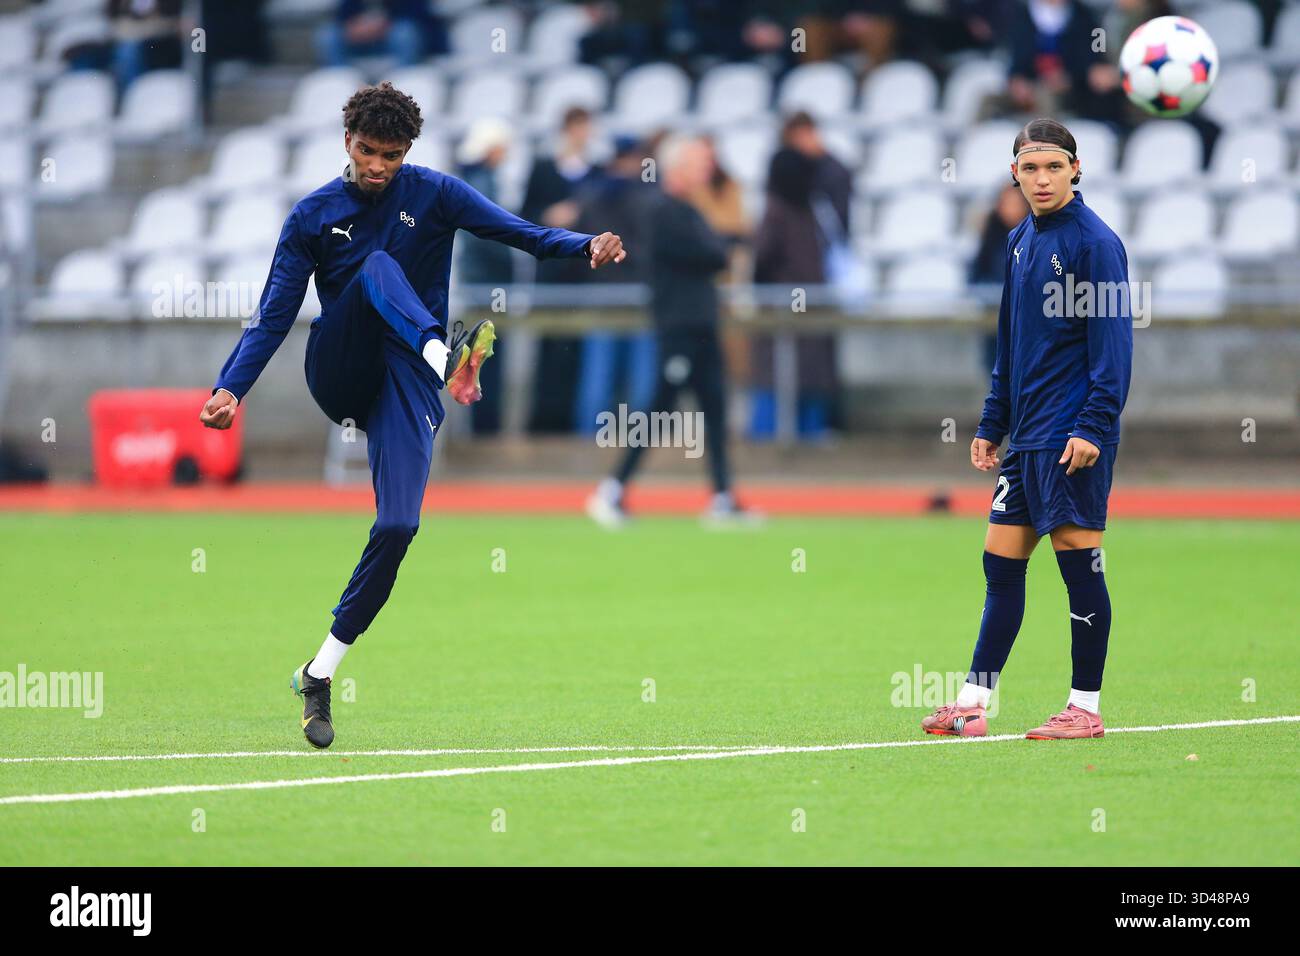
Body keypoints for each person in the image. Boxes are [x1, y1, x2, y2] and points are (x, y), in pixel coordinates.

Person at [198, 83, 625, 749]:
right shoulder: (313, 216)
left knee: (399, 524)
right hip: (342, 366)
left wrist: (584, 245)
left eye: (391, 155)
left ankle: (318, 672)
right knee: (374, 267)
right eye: (367, 151)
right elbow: (275, 312)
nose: (377, 166)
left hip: (407, 382)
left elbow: (523, 234)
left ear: (408, 152)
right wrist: (232, 386)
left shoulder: (436, 194)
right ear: (347, 142)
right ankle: (444, 355)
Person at [920, 118, 1132, 741]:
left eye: (1054, 167)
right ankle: (974, 701)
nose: (1042, 179)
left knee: (1079, 569)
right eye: (1030, 168)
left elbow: (1112, 350)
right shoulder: (1019, 241)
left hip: (1073, 436)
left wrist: (1094, 425)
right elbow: (1010, 343)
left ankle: (1085, 707)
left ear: (1076, 170)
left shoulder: (1097, 245)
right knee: (1000, 565)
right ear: (1014, 172)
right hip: (1027, 439)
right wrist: (994, 420)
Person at [585, 136, 749, 527]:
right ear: (676, 167)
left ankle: (723, 496)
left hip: (701, 326)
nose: (706, 169)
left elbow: (713, 251)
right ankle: (612, 490)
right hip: (679, 327)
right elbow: (712, 254)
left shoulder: (687, 210)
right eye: (697, 162)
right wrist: (721, 245)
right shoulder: (662, 210)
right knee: (658, 410)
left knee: (714, 409)